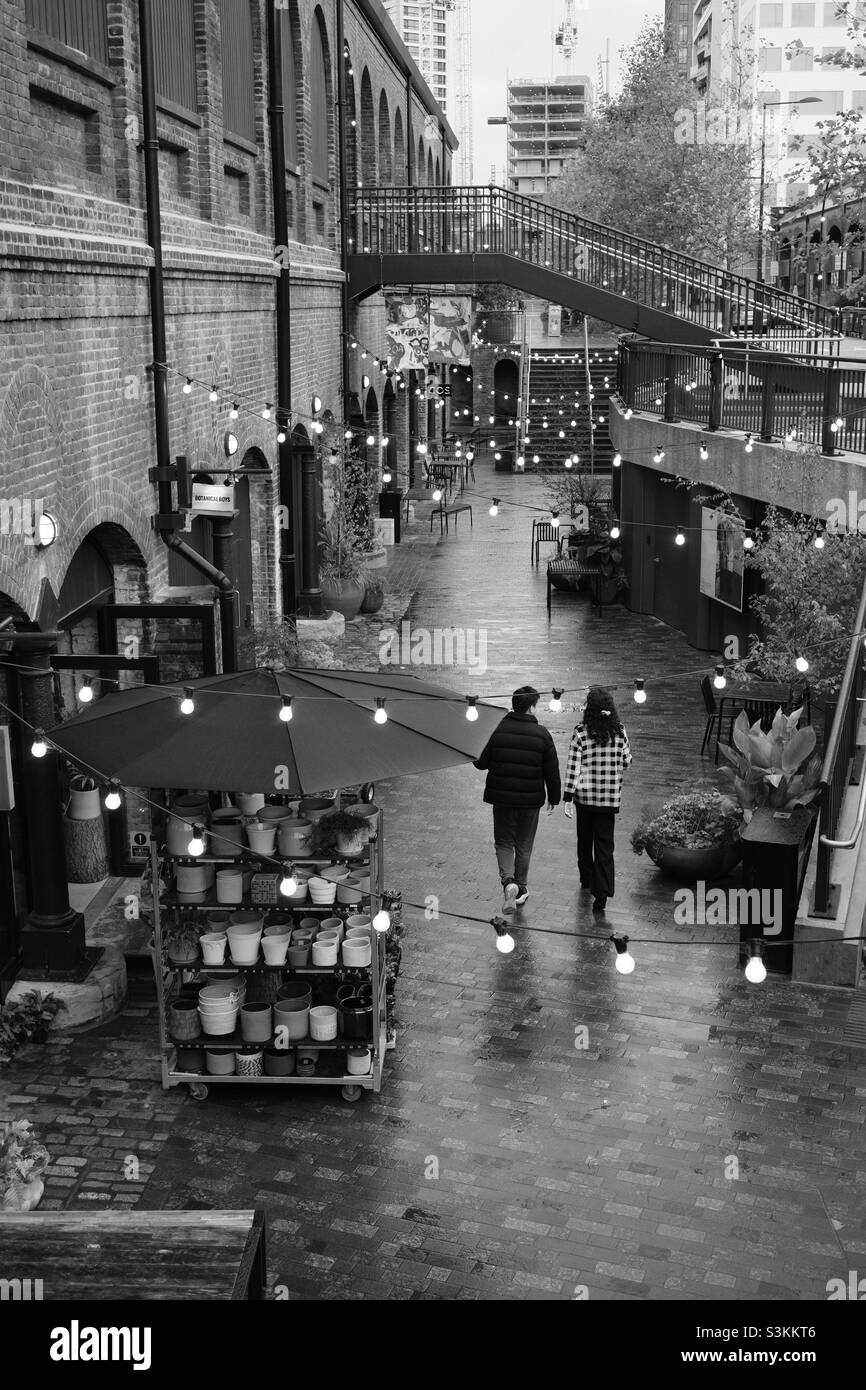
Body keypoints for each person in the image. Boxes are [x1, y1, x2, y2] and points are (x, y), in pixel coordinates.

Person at [474, 686, 561, 913]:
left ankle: (508, 881)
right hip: (530, 801)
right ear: (531, 707)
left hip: (502, 798)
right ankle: (520, 888)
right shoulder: (542, 734)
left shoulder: (497, 729)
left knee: (504, 842)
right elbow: (552, 771)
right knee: (524, 845)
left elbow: (481, 762)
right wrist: (555, 796)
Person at [562, 687, 632, 913]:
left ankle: (587, 877)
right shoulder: (620, 731)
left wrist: (568, 797)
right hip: (609, 800)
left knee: (585, 841)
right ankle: (601, 892)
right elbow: (627, 761)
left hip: (585, 798)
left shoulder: (581, 732)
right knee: (605, 846)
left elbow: (573, 766)